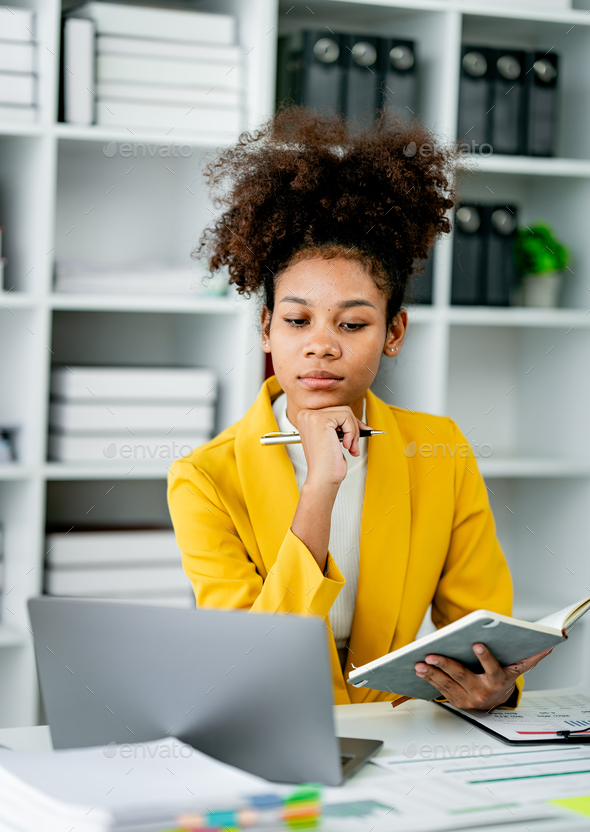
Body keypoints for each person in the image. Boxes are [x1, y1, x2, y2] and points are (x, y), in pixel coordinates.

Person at [168, 105, 552, 714]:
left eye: (351, 322)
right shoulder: (205, 478)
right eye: (297, 320)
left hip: (405, 733)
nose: (321, 343)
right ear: (266, 329)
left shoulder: (439, 448)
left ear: (393, 332)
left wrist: (497, 684)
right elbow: (249, 658)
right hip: (269, 725)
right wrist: (320, 484)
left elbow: (486, 627)